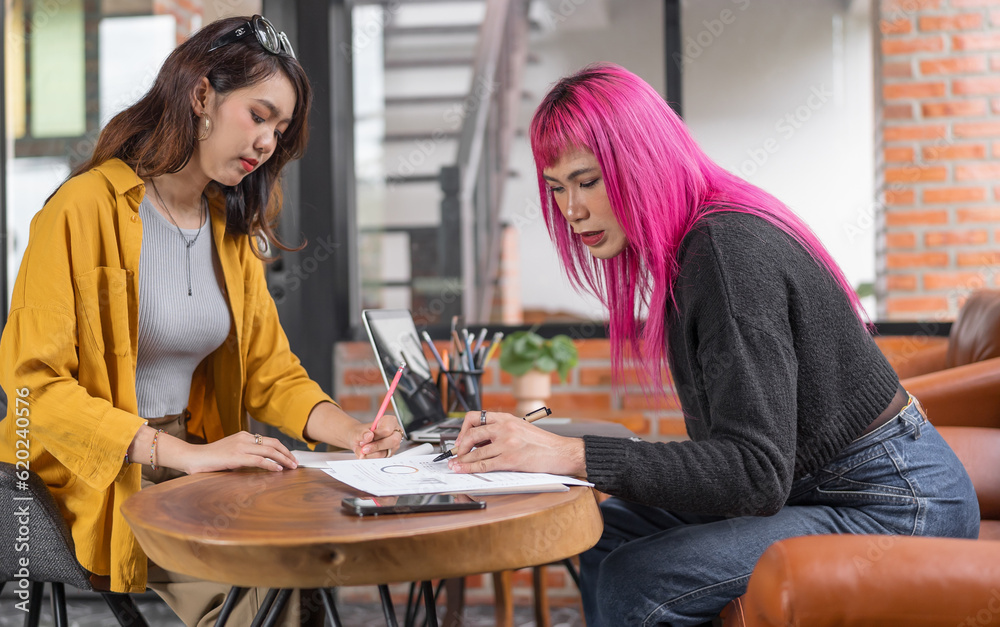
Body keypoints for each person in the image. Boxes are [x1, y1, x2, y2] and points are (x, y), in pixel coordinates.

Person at [446, 63, 980, 626]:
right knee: (607, 533)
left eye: (587, 180)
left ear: (639, 164)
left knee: (638, 580)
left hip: (894, 503)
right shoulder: (697, 246)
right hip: (820, 483)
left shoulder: (725, 254)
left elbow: (755, 472)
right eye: (556, 188)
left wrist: (567, 454)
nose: (571, 210)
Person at [0, 15, 401, 627]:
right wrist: (179, 456)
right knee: (269, 589)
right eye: (259, 115)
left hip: (195, 462)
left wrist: (352, 434)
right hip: (88, 476)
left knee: (311, 559)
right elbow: (34, 391)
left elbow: (273, 375)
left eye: (281, 128)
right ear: (201, 95)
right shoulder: (81, 209)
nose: (268, 141)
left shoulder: (227, 228)